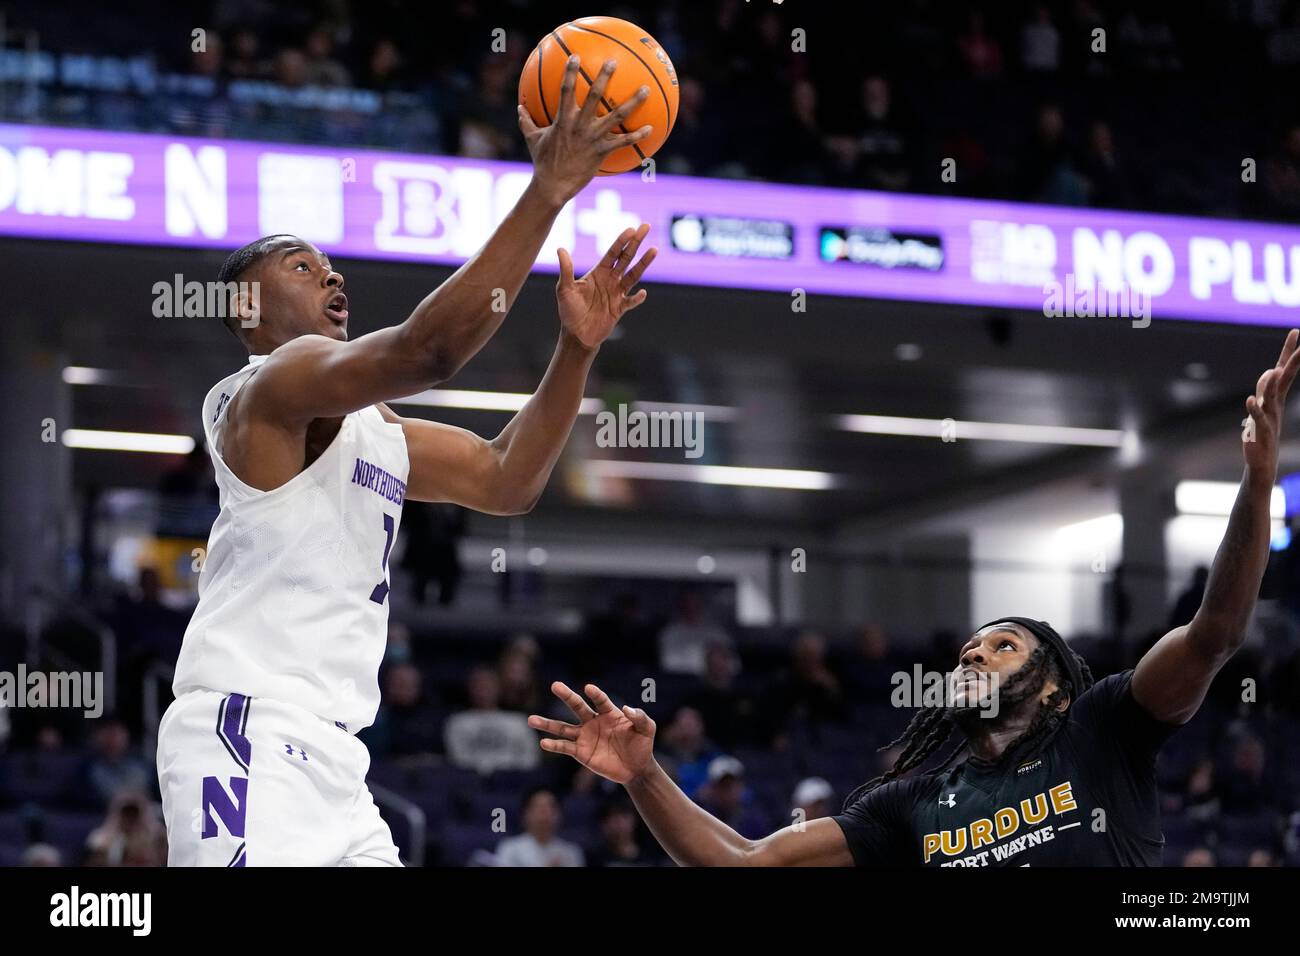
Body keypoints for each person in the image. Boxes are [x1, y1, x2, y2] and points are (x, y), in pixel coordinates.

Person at [528, 331, 1300, 866]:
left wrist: (1258, 485)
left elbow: (1214, 634)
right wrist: (644, 777)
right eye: (968, 650)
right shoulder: (911, 809)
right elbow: (742, 861)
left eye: (1003, 646)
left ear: (1057, 686)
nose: (974, 656)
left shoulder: (1100, 732)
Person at [156, 57, 659, 867]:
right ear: (247, 308)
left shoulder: (372, 428)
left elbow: (507, 479)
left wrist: (574, 350)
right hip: (247, 730)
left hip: (336, 762)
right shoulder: (265, 389)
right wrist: (546, 194)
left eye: (329, 264)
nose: (332, 273)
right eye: (302, 266)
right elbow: (431, 349)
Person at [494, 788, 584, 867]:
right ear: (526, 814)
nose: (545, 814)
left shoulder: (571, 852)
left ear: (559, 814)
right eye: (539, 808)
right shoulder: (509, 848)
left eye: (550, 808)